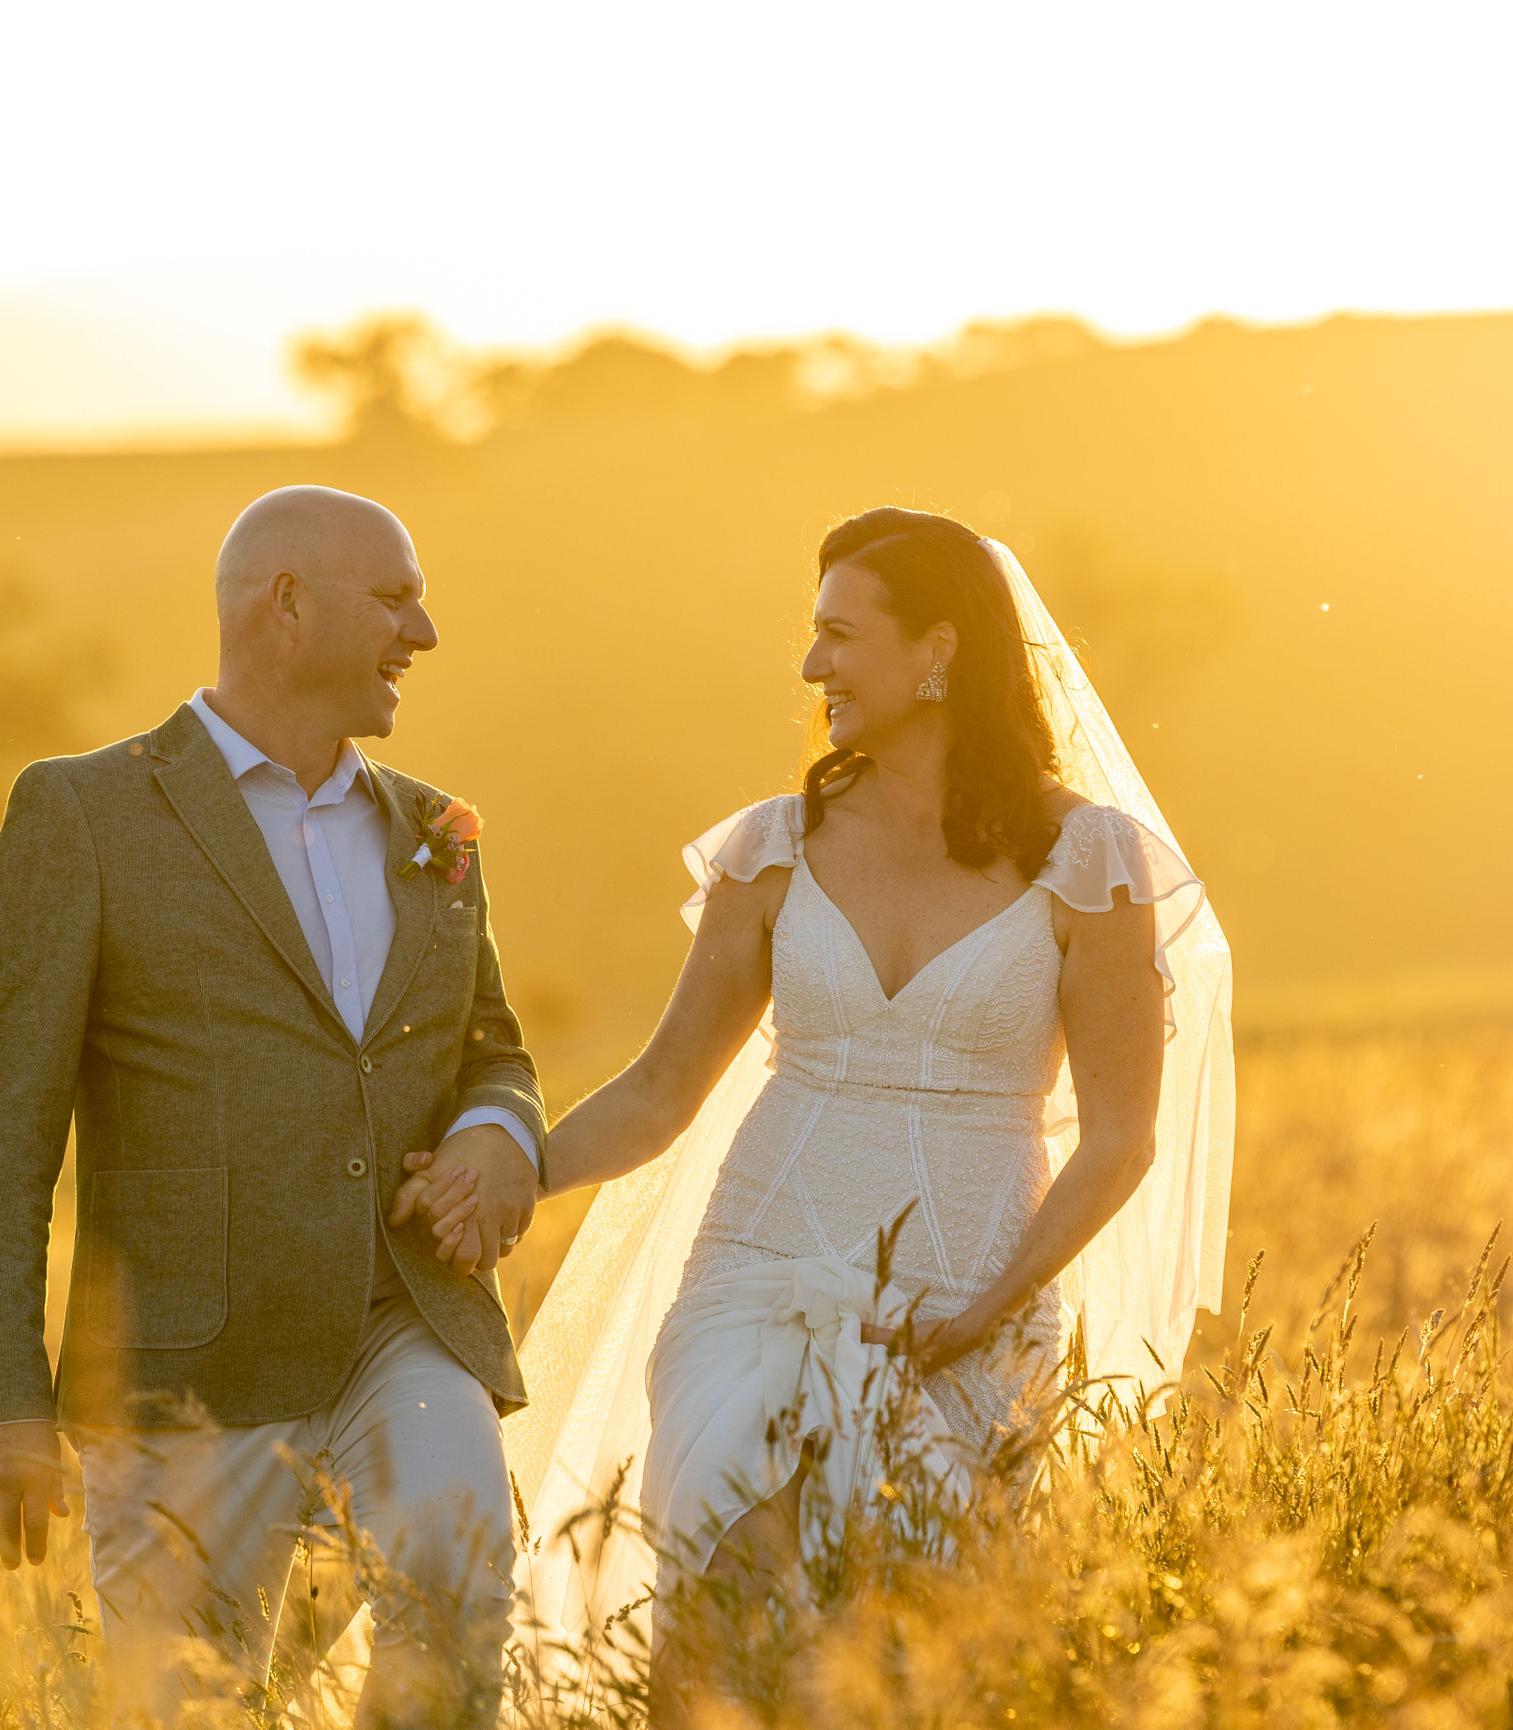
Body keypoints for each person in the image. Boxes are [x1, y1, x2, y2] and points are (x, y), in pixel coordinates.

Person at [399, 506, 1236, 1721]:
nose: (812, 667)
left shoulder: (1088, 858)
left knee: (907, 1650)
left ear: (938, 649)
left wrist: (988, 1308)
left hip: (968, 1290)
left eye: (840, 635)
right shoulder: (775, 846)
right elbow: (660, 1086)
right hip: (754, 1270)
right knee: (725, 1603)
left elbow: (1119, 1138)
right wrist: (509, 1172)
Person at [0, 485, 546, 1727]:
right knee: (188, 1702)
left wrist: (499, 1127)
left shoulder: (439, 830)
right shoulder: (83, 814)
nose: (421, 631)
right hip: (181, 1355)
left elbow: (490, 1045)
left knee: (462, 1560)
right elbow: (5, 1131)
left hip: (405, 1316)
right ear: (286, 603)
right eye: (395, 597)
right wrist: (5, 1392)